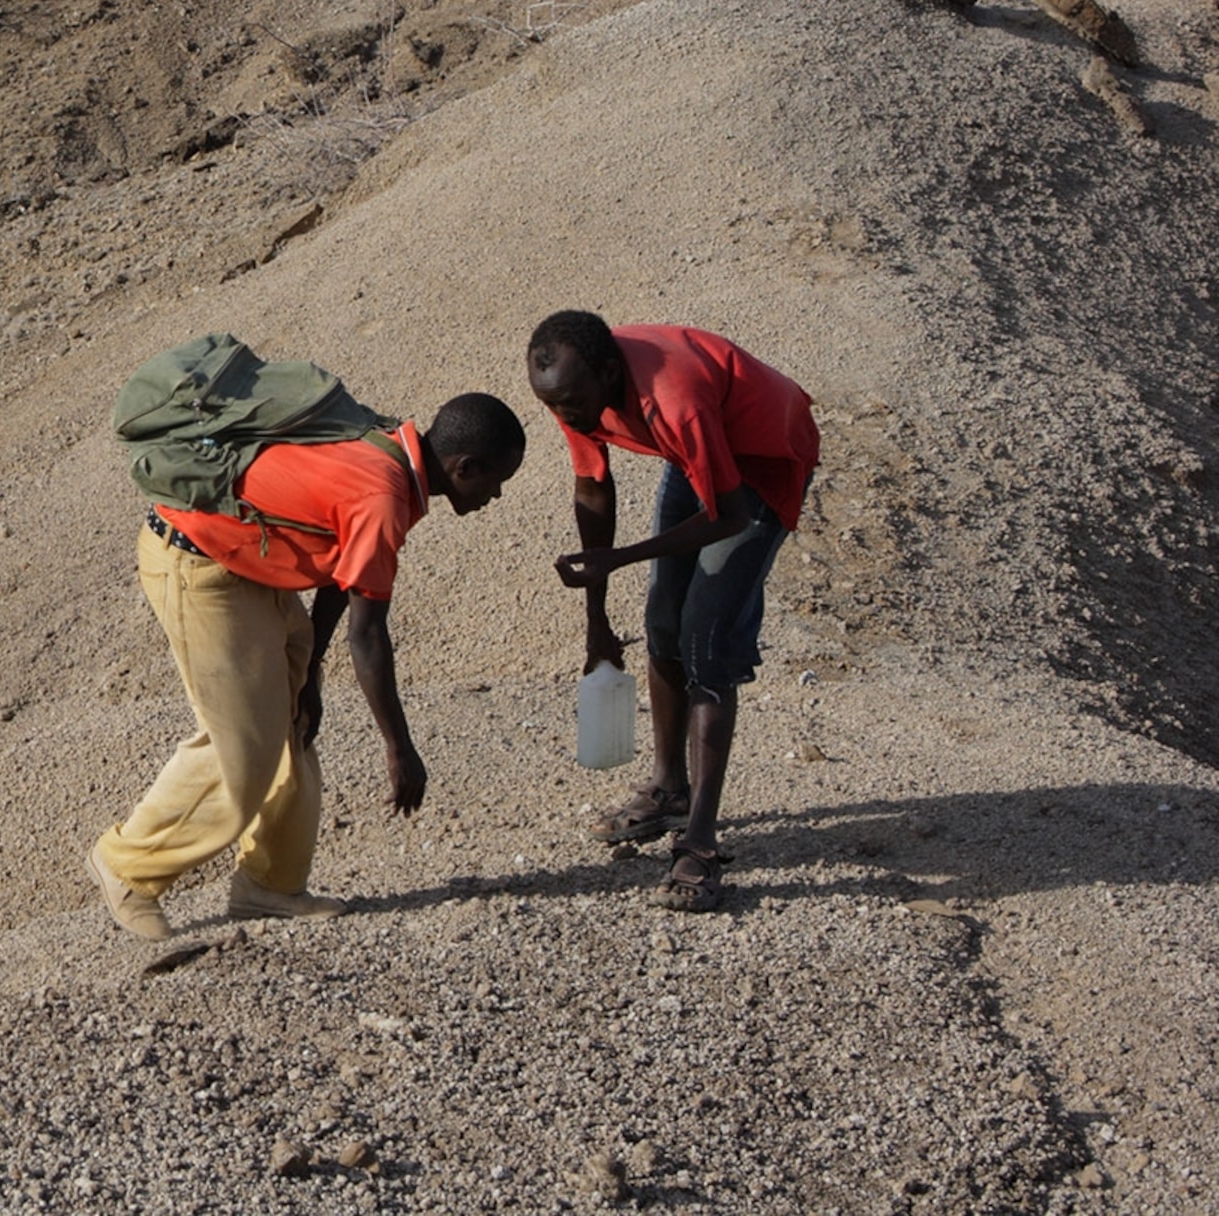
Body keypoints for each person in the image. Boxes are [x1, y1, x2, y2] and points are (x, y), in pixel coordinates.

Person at [86, 389, 526, 937]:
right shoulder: (384, 492)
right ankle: (128, 866)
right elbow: (368, 638)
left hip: (252, 563)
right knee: (243, 741)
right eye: (496, 482)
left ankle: (269, 886)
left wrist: (310, 666)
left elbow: (349, 572)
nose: (497, 495)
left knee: (293, 716)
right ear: (465, 467)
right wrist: (399, 747)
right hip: (197, 561)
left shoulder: (389, 452)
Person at [524, 311, 819, 912]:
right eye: (555, 407)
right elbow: (593, 490)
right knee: (662, 622)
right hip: (701, 456)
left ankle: (702, 839)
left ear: (609, 374)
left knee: (704, 642)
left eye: (573, 406)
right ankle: (669, 787)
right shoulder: (573, 387)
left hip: (763, 465)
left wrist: (626, 556)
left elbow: (731, 513)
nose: (567, 418)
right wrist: (597, 625)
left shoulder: (673, 400)